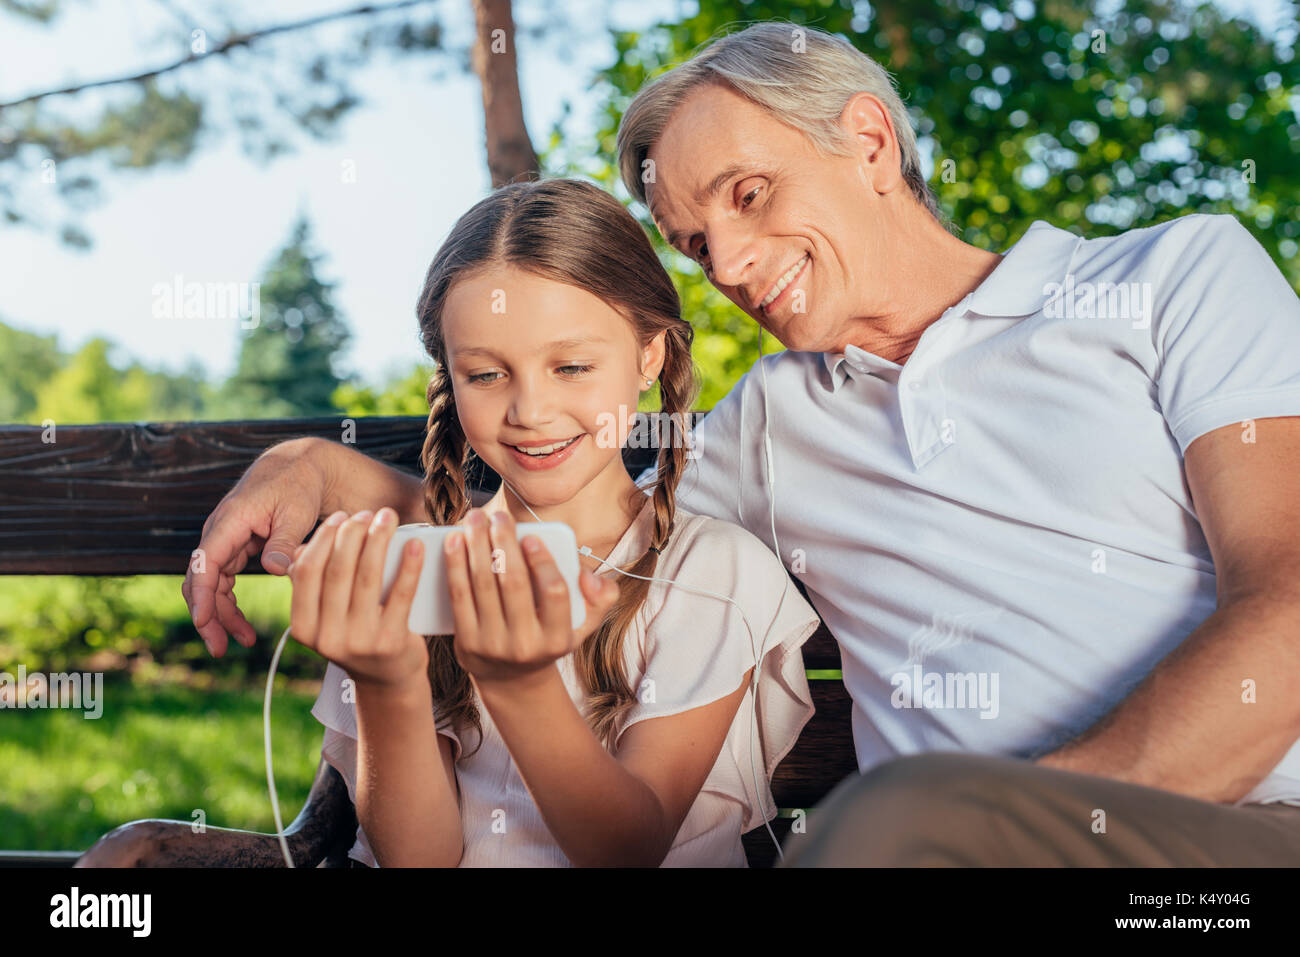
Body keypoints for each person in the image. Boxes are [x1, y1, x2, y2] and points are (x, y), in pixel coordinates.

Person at [186, 23, 1300, 866]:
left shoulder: (1172, 278)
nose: (726, 263)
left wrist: (1010, 822)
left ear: (869, 141)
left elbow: (1289, 596)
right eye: (693, 241)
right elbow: (563, 514)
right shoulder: (774, 420)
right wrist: (318, 469)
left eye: (751, 195)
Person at [276, 178, 820, 867]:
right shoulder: (418, 571)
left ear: (649, 356)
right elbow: (418, 859)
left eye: (571, 366)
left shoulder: (712, 572)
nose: (530, 411)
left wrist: (520, 685)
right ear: (449, 376)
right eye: (485, 375)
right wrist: (384, 682)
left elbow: (628, 849)